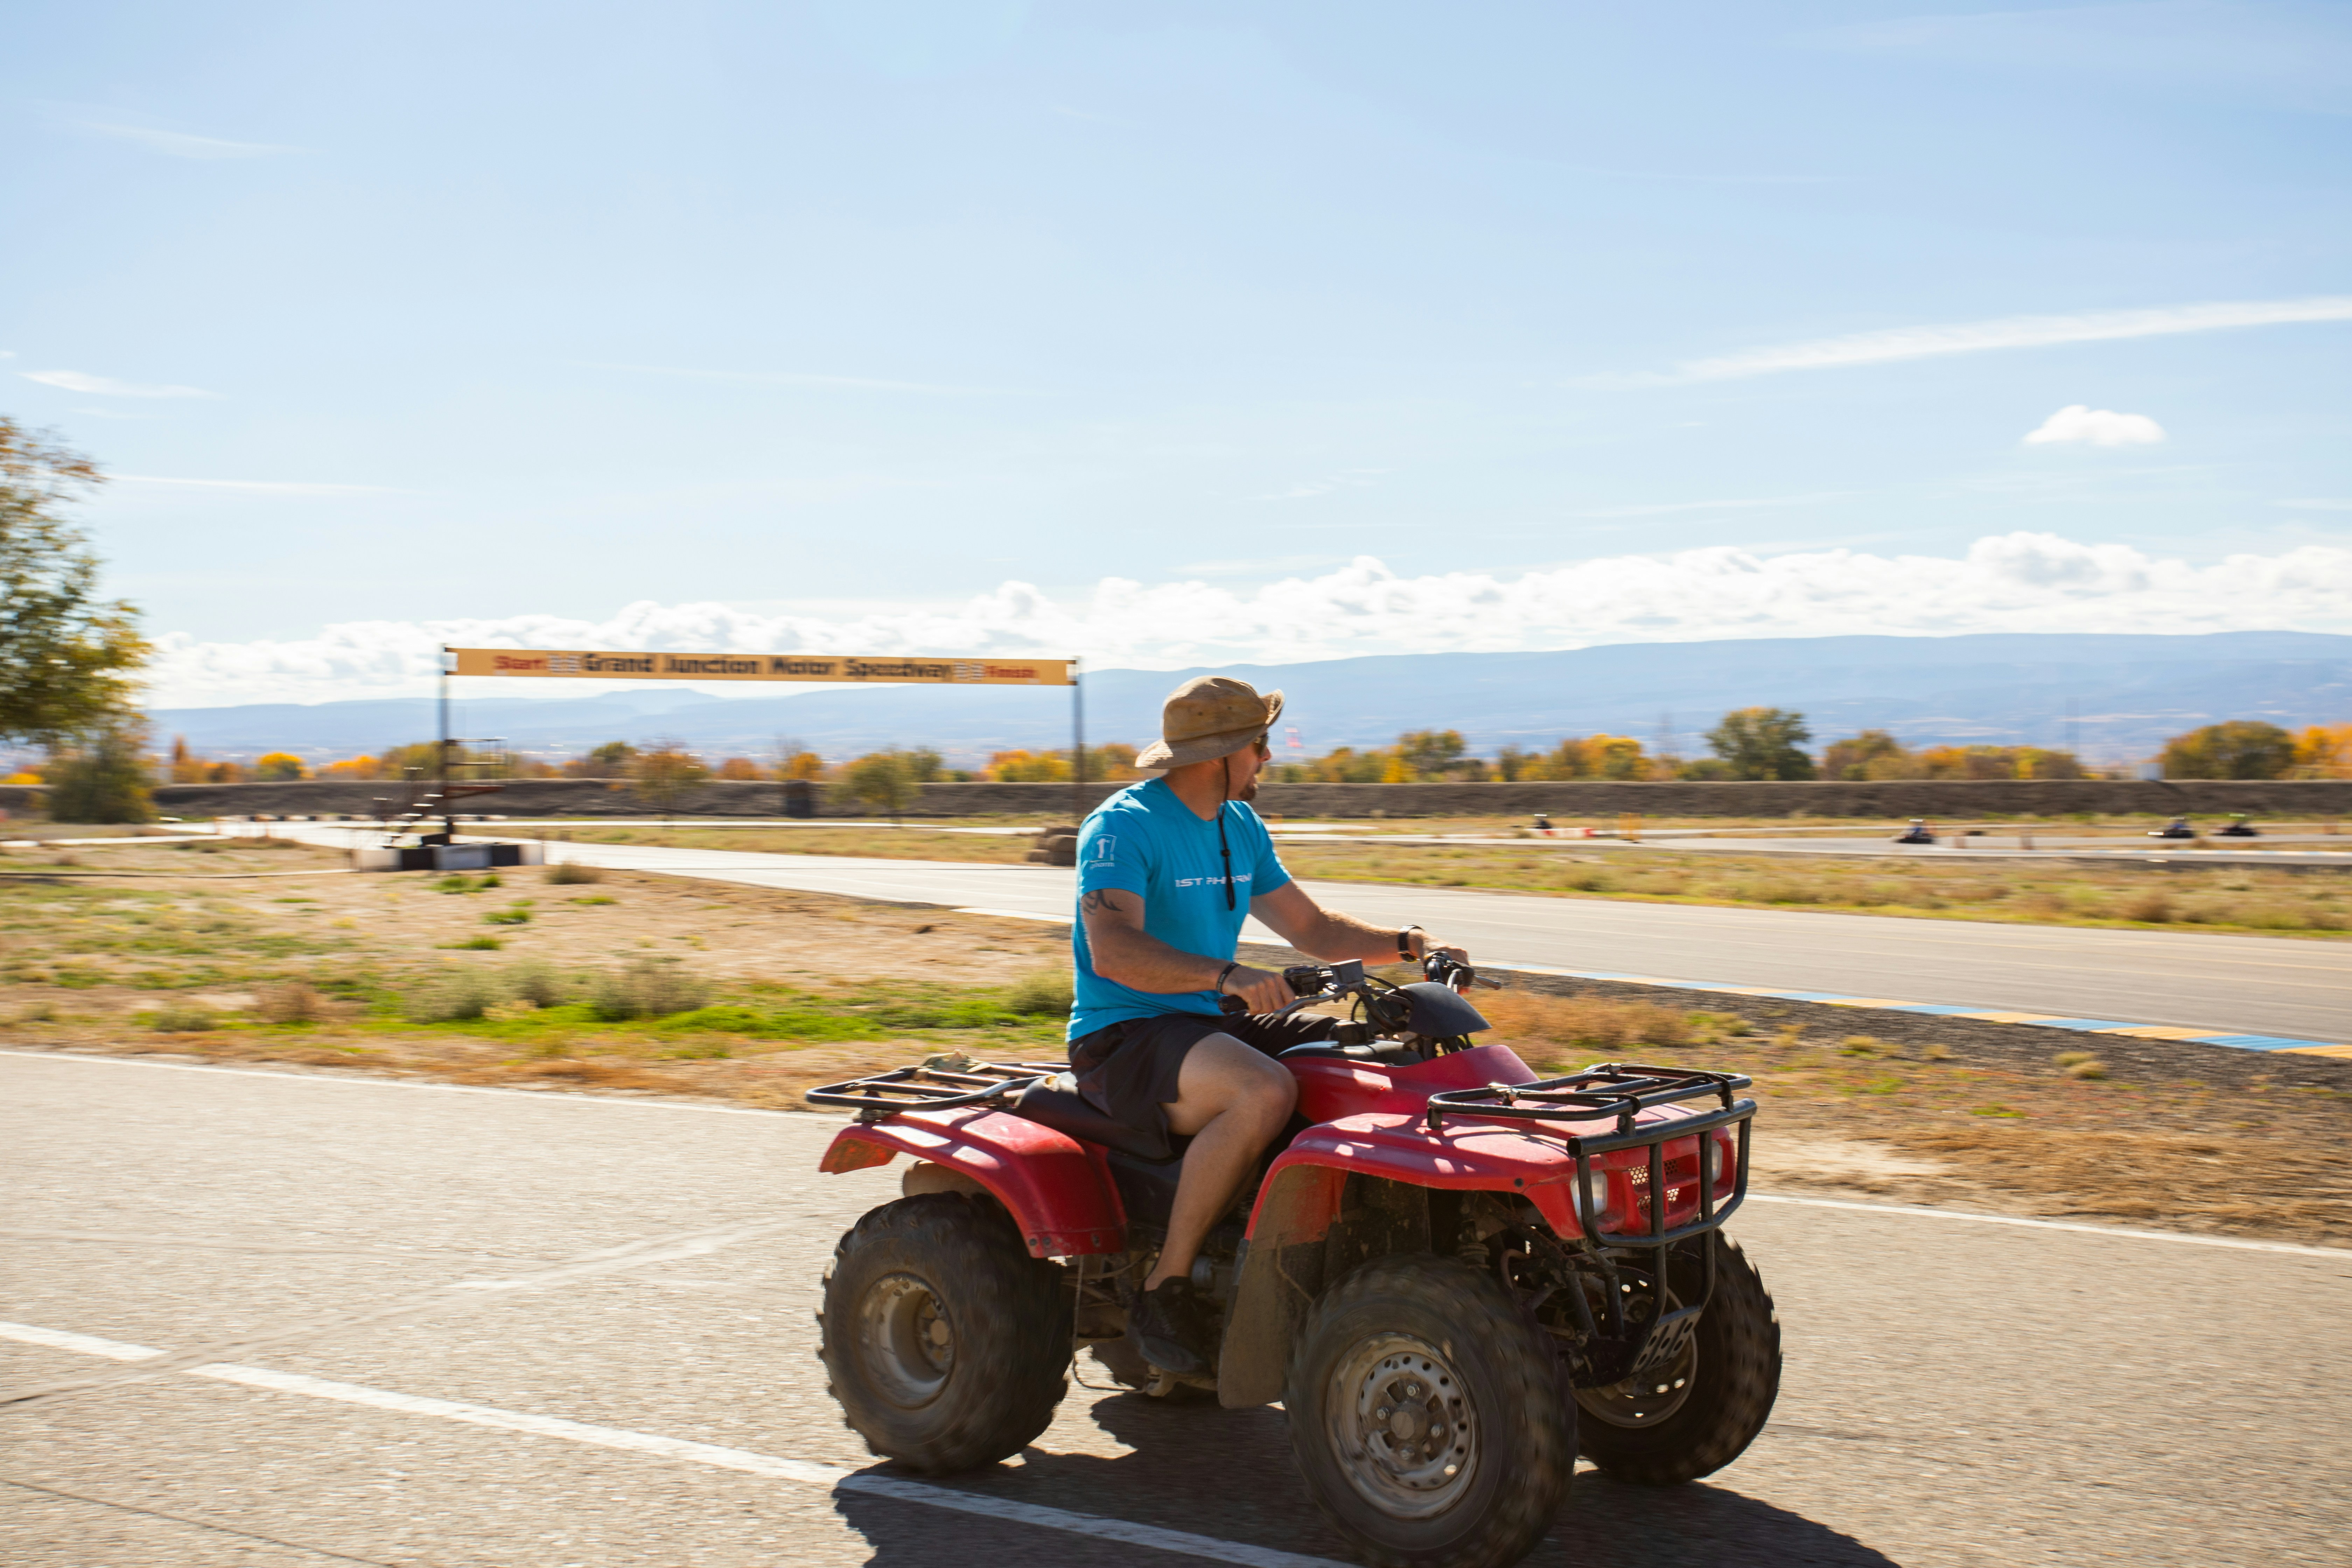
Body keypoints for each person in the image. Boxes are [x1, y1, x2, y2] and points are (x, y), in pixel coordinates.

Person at [1067, 675, 1469, 1376]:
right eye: (1259, 743)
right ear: (1220, 753)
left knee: (1372, 1056)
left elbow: (1312, 927)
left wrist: (1408, 943)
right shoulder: (1122, 826)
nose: (1268, 757)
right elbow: (1115, 949)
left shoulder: (1240, 825)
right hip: (1125, 1031)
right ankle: (1167, 1285)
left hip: (1207, 1021)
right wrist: (1225, 976)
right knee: (1261, 1090)